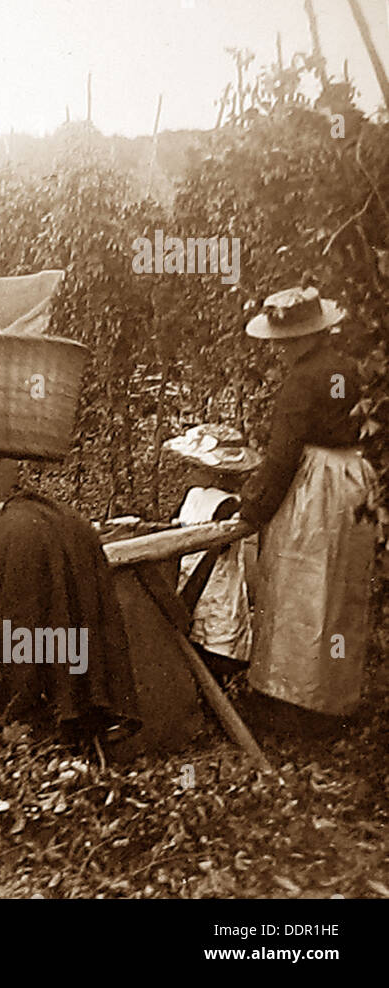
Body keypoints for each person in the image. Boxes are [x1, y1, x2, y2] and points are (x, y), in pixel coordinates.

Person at [238, 287, 377, 719]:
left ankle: (294, 701)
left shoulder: (302, 381)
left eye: (284, 341)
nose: (279, 350)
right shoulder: (347, 368)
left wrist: (253, 509)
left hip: (318, 488)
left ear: (304, 336)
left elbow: (283, 456)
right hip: (355, 480)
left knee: (303, 585)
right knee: (340, 591)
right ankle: (333, 696)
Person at [162, 423, 263, 675]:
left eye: (197, 467)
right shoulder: (194, 495)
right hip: (189, 576)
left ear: (216, 472)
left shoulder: (230, 506)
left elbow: (232, 552)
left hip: (214, 584)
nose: (190, 471)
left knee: (213, 647)